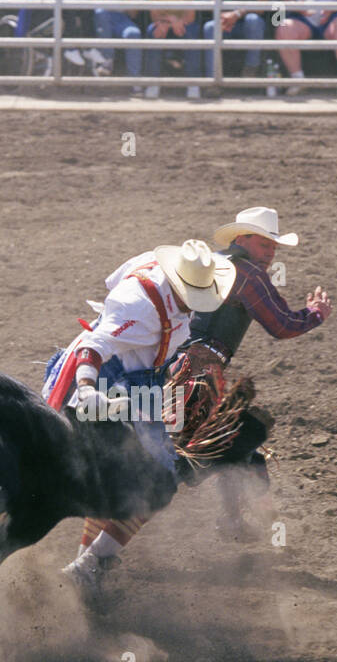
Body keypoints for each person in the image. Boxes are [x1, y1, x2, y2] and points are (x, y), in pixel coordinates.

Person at [44, 239, 236, 598]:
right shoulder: (141, 305)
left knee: (149, 478)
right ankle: (88, 565)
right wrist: (85, 387)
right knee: (156, 481)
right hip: (107, 383)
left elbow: (110, 281)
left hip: (139, 382)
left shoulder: (153, 266)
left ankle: (86, 566)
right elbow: (95, 346)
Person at [174, 206, 331, 538]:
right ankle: (254, 521)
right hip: (201, 373)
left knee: (230, 445)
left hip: (170, 366)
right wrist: (316, 313)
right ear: (242, 239)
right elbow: (283, 325)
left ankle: (238, 521)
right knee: (230, 445)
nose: (271, 253)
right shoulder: (248, 275)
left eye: (273, 247)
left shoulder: (213, 263)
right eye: (264, 244)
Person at [202, 0, 275, 91]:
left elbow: (260, 7)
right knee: (210, 27)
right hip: (228, 21)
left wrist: (236, 14)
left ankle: (250, 71)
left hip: (250, 23)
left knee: (253, 21)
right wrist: (225, 17)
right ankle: (212, 82)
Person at [144, 0, 201, 99]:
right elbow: (154, 15)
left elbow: (191, 15)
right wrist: (170, 21)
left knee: (191, 33)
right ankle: (153, 83)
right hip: (164, 22)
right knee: (153, 32)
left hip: (184, 22)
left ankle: (193, 83)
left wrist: (177, 21)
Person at [86, 0, 145, 86]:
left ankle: (135, 80)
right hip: (100, 19)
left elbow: (134, 14)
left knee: (133, 33)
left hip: (122, 17)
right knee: (101, 13)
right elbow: (90, 11)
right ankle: (107, 60)